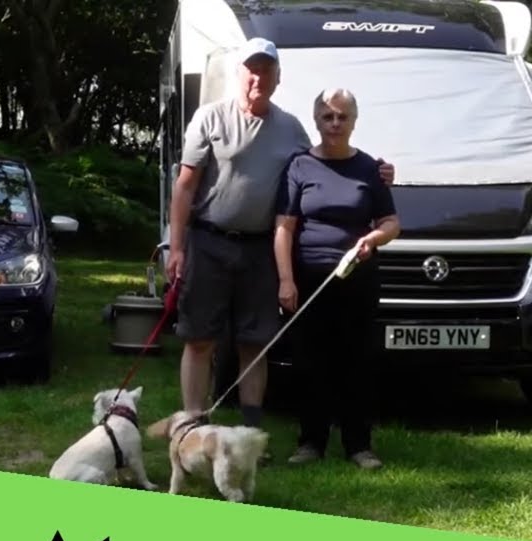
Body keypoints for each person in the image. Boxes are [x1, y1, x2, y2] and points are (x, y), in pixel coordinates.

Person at [167, 38, 394, 442]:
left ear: (277, 78)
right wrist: (178, 246)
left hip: (260, 250)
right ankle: (191, 430)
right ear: (240, 74)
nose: (258, 78)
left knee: (255, 342)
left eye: (266, 71)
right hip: (208, 242)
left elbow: (325, 161)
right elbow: (185, 187)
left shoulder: (290, 128)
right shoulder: (209, 118)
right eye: (251, 70)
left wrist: (378, 170)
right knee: (200, 339)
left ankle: (251, 436)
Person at [273, 88, 400, 470]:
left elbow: (392, 223)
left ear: (354, 121)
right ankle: (311, 442)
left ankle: (359, 445)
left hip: (358, 278)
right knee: (311, 362)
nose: (335, 124)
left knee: (356, 362)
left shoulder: (369, 170)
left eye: (342, 117)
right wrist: (285, 280)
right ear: (316, 121)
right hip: (309, 278)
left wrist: (374, 239)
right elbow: (284, 227)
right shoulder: (299, 167)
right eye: (327, 117)